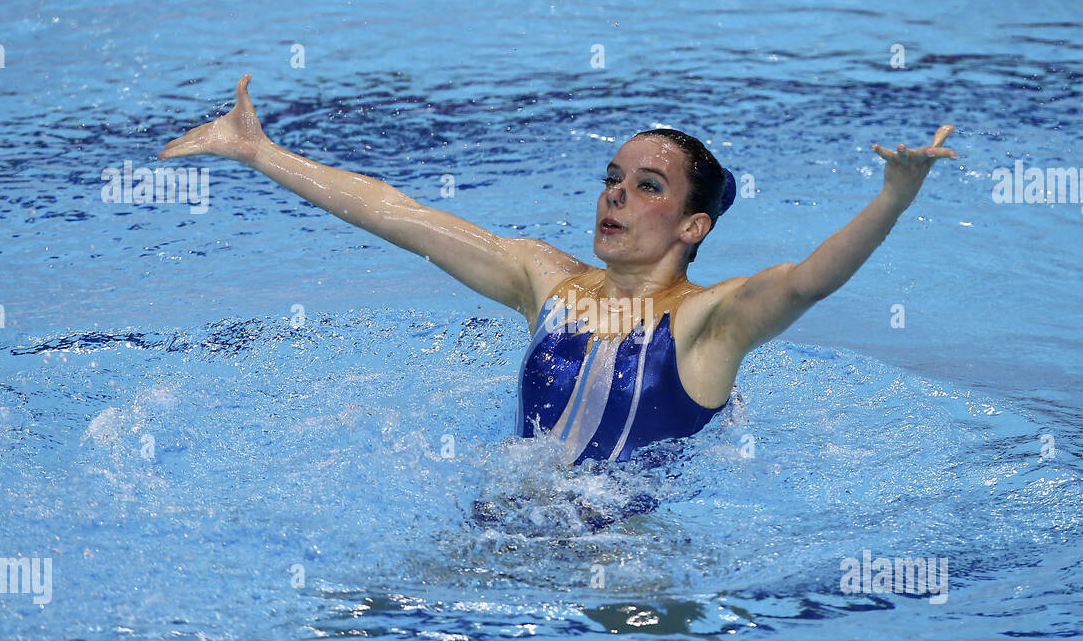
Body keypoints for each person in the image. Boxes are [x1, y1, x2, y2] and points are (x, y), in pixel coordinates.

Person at [161, 75, 956, 465]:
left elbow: (811, 279)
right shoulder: (549, 282)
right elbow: (396, 213)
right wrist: (258, 151)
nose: (616, 195)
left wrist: (894, 195)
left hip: (635, 562)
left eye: (648, 187)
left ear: (692, 225)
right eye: (613, 178)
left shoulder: (711, 322)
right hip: (508, 522)